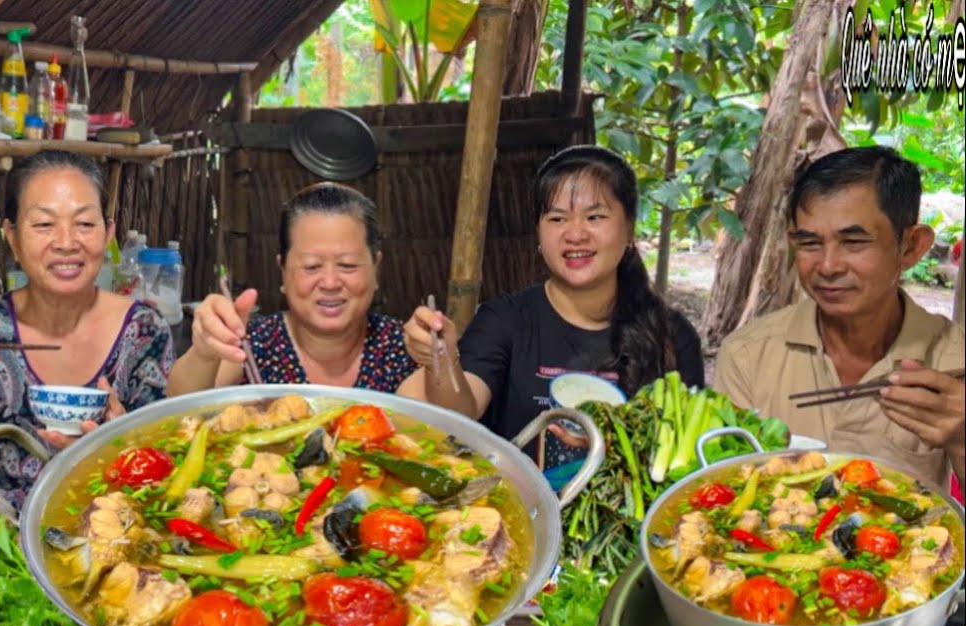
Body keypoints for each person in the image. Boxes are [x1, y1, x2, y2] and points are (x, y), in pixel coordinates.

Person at [402, 145, 705, 462]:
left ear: (629, 228)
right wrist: (442, 361)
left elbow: (685, 459)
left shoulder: (673, 335)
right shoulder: (505, 320)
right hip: (521, 508)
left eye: (595, 216)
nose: (575, 234)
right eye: (558, 218)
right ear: (538, 232)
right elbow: (461, 414)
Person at [0, 151, 174, 511]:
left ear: (108, 233)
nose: (66, 242)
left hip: (102, 545)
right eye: (43, 225)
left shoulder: (145, 330)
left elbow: (163, 485)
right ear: (13, 237)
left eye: (85, 224)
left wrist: (114, 452)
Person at [714, 146, 964, 489]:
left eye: (854, 241)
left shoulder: (954, 359)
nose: (828, 266)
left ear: (910, 247)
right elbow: (723, 487)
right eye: (810, 243)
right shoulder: (747, 356)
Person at [166, 182, 419, 395]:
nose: (330, 283)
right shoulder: (251, 344)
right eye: (311, 266)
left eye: (347, 265)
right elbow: (177, 407)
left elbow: (453, 419)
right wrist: (205, 353)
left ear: (375, 268)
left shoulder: (405, 347)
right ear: (283, 270)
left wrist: (445, 362)